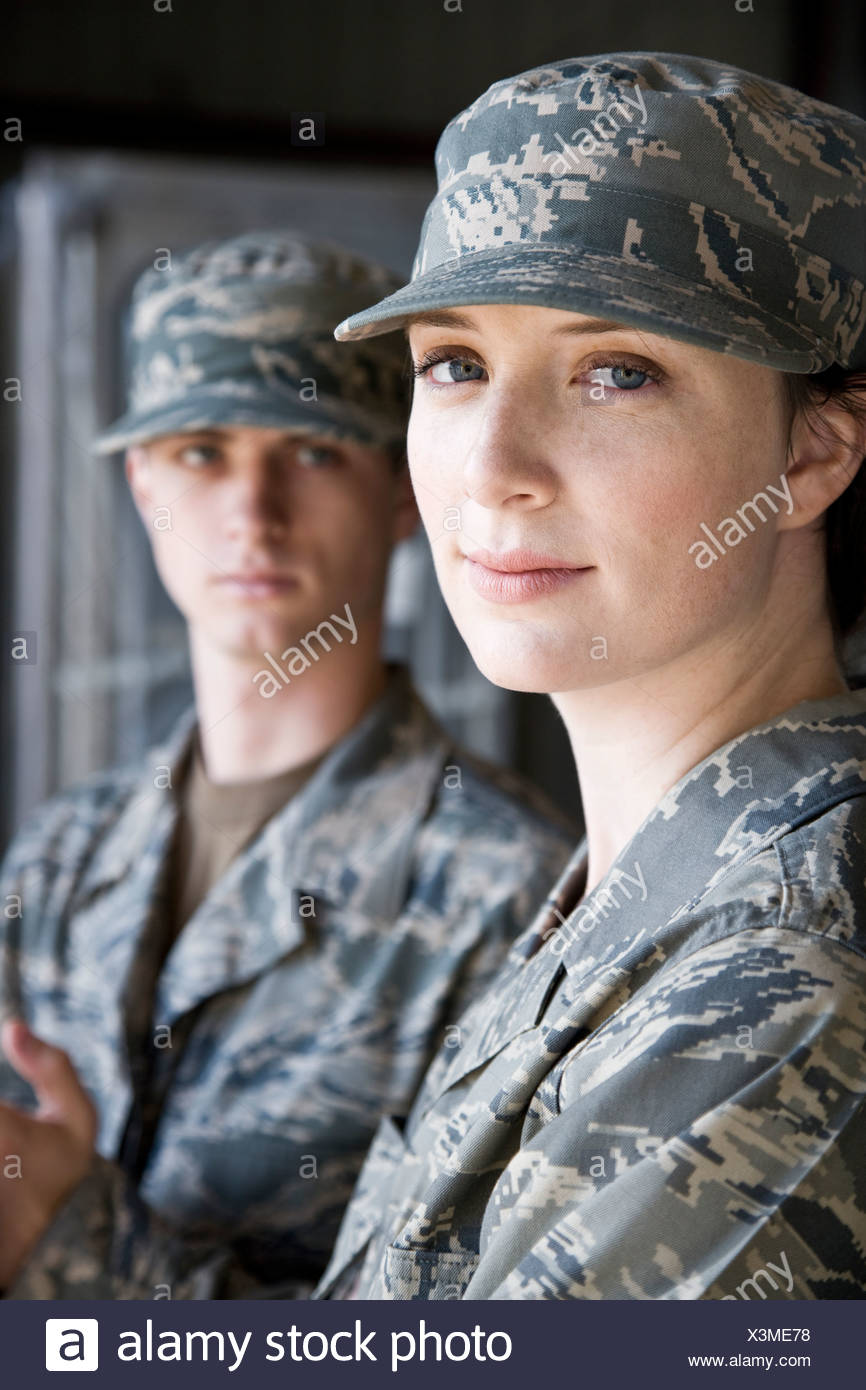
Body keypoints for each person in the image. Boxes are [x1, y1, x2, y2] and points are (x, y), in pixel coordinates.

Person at [311, 53, 866, 1300]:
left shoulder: (781, 973)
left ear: (815, 448)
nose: (494, 463)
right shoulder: (647, 892)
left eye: (615, 371)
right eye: (453, 363)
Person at [0, 231, 575, 1298]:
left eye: (311, 453)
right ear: (141, 484)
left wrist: (67, 1243)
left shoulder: (514, 901)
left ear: (404, 491)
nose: (250, 516)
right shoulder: (62, 859)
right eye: (200, 452)